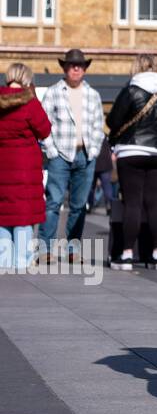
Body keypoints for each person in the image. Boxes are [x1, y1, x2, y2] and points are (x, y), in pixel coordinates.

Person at [106, 54, 157, 270]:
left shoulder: (130, 90)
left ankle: (127, 254)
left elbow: (112, 121)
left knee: (133, 203)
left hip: (130, 151)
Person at [38, 48, 104, 259]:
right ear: (65, 68)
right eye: (72, 65)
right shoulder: (53, 92)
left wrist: (93, 150)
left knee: (78, 206)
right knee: (53, 203)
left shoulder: (92, 95)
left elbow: (98, 126)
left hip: (85, 155)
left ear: (84, 69)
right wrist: (51, 151)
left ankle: (72, 250)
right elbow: (43, 124)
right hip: (60, 155)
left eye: (80, 66)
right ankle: (45, 249)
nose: (76, 69)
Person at [0, 63, 52, 270]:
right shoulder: (29, 102)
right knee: (22, 216)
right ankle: (22, 262)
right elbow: (45, 129)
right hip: (24, 167)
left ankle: (3, 261)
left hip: (2, 165)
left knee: (3, 215)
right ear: (26, 79)